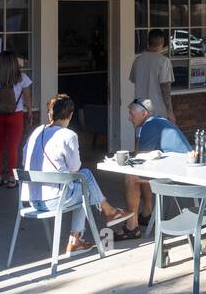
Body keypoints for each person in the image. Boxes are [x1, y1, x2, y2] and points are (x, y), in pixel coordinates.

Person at [23, 94, 129, 253]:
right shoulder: (68, 135)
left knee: (84, 185)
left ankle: (82, 236)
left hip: (32, 199)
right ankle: (107, 213)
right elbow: (75, 168)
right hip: (54, 200)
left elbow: (25, 160)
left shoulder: (36, 132)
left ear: (49, 114)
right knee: (85, 177)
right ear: (71, 116)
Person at [119, 98, 193, 240]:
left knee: (131, 176)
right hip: (182, 167)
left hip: (180, 174)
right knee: (143, 173)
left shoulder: (150, 126)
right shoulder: (158, 121)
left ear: (144, 113)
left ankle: (131, 226)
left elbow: (140, 157)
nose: (129, 118)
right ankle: (147, 214)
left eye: (131, 114)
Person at [0, 50, 33, 189]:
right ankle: (12, 179)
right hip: (16, 115)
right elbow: (27, 98)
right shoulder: (22, 77)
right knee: (13, 148)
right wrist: (30, 112)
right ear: (15, 62)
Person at [129, 29, 174, 121]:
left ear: (148, 42)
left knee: (141, 135)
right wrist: (170, 112)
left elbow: (134, 80)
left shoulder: (138, 60)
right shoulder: (164, 61)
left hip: (139, 110)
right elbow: (166, 88)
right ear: (162, 42)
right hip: (157, 111)